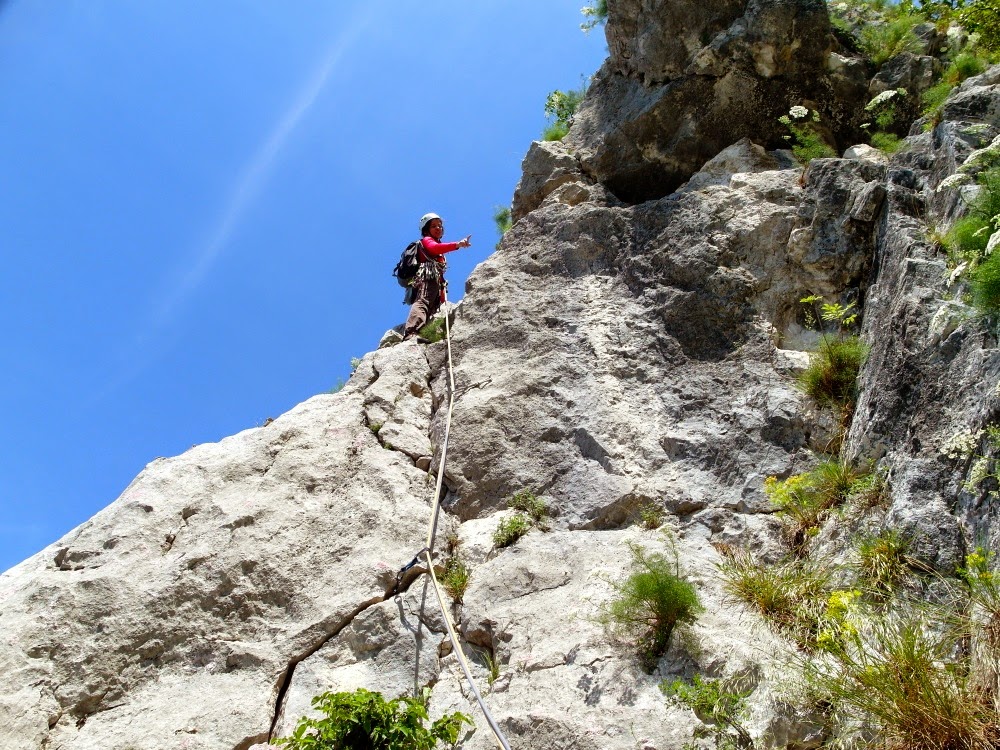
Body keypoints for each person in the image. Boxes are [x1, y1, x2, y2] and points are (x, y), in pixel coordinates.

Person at [403, 212, 472, 341]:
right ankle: (411, 333)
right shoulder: (427, 240)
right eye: (434, 226)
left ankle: (422, 333)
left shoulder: (435, 248)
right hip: (427, 277)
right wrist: (457, 244)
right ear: (426, 229)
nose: (438, 228)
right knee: (423, 302)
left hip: (433, 280)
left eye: (440, 226)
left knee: (429, 307)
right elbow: (435, 248)